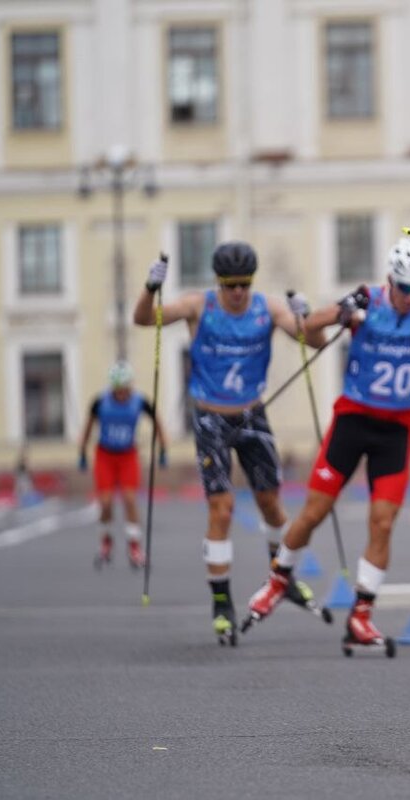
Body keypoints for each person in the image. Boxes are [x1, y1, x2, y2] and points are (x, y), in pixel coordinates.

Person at [243, 236, 410, 654]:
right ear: (389, 280)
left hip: (395, 431)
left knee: (383, 521)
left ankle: (361, 617)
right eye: (405, 289)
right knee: (314, 512)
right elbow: (309, 329)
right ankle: (277, 581)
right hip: (352, 421)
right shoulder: (367, 298)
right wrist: (339, 314)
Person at [131, 241, 325, 644]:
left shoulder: (267, 308)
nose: (238, 292)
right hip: (210, 417)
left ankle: (281, 577)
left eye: (244, 284)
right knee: (222, 508)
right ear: (219, 282)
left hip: (253, 413)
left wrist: (309, 317)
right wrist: (150, 288)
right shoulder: (197, 306)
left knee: (271, 503)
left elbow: (311, 340)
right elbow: (143, 320)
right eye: (230, 284)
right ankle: (222, 603)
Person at [78, 360, 167, 569]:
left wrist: (163, 448)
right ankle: (106, 542)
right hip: (105, 455)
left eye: (125, 389)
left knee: (129, 499)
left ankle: (134, 546)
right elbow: (88, 428)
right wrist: (82, 452)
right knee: (106, 501)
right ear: (112, 387)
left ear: (130, 386)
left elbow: (157, 422)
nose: (122, 394)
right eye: (118, 390)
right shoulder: (100, 403)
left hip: (128, 454)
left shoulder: (140, 401)